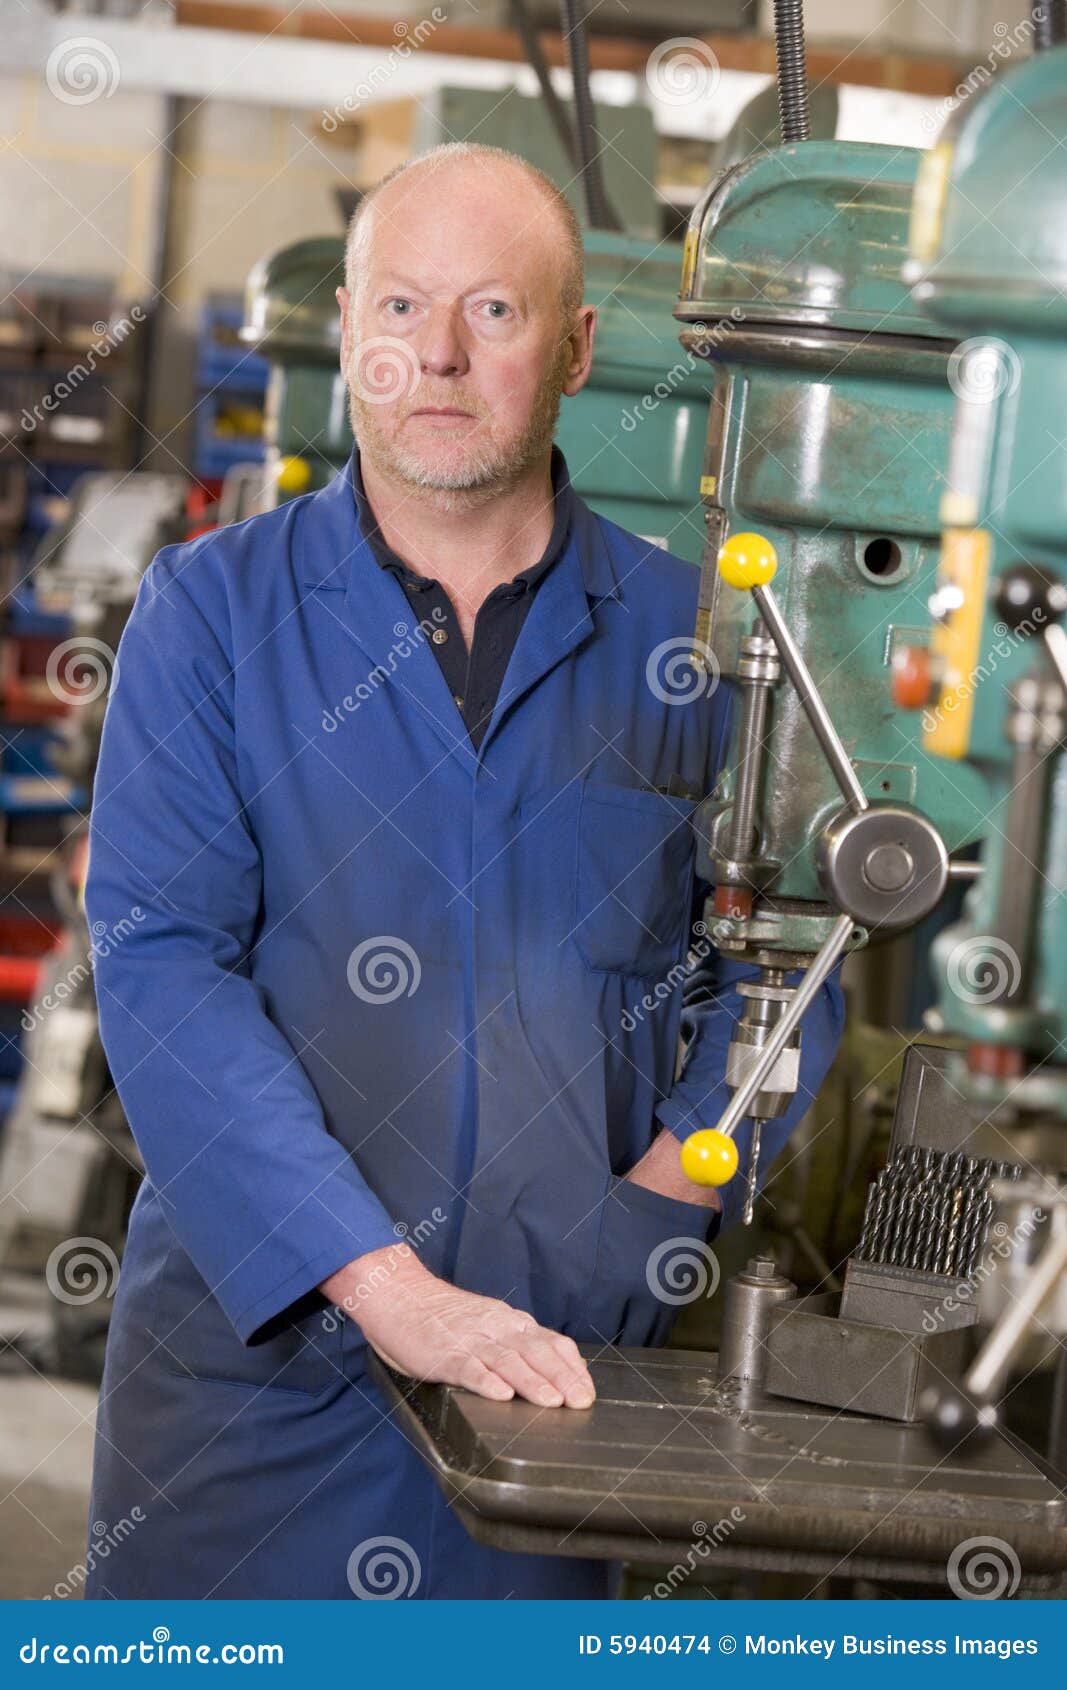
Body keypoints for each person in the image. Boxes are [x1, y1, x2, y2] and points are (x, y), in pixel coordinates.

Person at [84, 143, 843, 1599]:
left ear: (576, 349)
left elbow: (784, 965)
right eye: (400, 307)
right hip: (256, 1386)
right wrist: (384, 1289)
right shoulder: (213, 613)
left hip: (557, 1369)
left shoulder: (698, 644)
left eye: (493, 311)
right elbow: (166, 974)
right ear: (350, 331)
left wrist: (669, 1193)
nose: (435, 355)